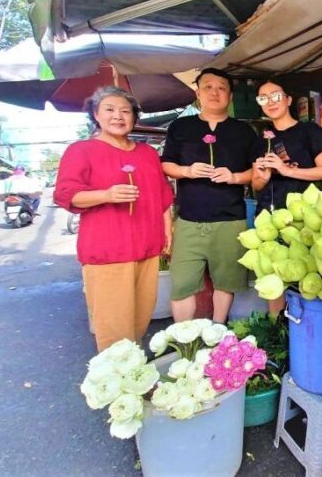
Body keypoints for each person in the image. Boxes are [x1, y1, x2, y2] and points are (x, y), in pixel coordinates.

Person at [54, 86, 173, 352]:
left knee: (140, 321)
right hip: (107, 251)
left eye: (125, 111)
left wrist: (168, 233)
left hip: (148, 247)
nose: (118, 116)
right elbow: (66, 195)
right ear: (96, 114)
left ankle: (133, 379)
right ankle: (116, 387)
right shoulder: (81, 150)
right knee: (113, 328)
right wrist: (105, 194)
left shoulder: (147, 154)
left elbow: (163, 197)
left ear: (134, 117)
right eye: (110, 110)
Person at [162, 68, 257, 324]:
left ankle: (217, 331)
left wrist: (234, 177)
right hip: (189, 219)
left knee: (226, 282)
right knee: (182, 283)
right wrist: (187, 171)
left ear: (230, 96)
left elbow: (257, 172)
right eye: (208, 87)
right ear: (197, 93)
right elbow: (165, 164)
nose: (215, 92)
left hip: (230, 219)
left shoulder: (244, 131)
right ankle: (185, 340)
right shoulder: (181, 126)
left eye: (222, 88)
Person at [252, 79, 322, 313]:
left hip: (303, 217)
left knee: (306, 277)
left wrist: (287, 170)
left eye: (276, 96)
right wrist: (263, 176)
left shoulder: (309, 131)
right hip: (269, 217)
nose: (270, 102)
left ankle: (304, 331)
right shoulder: (262, 140)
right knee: (273, 278)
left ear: (288, 100)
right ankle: (277, 333)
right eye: (263, 98)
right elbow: (256, 184)